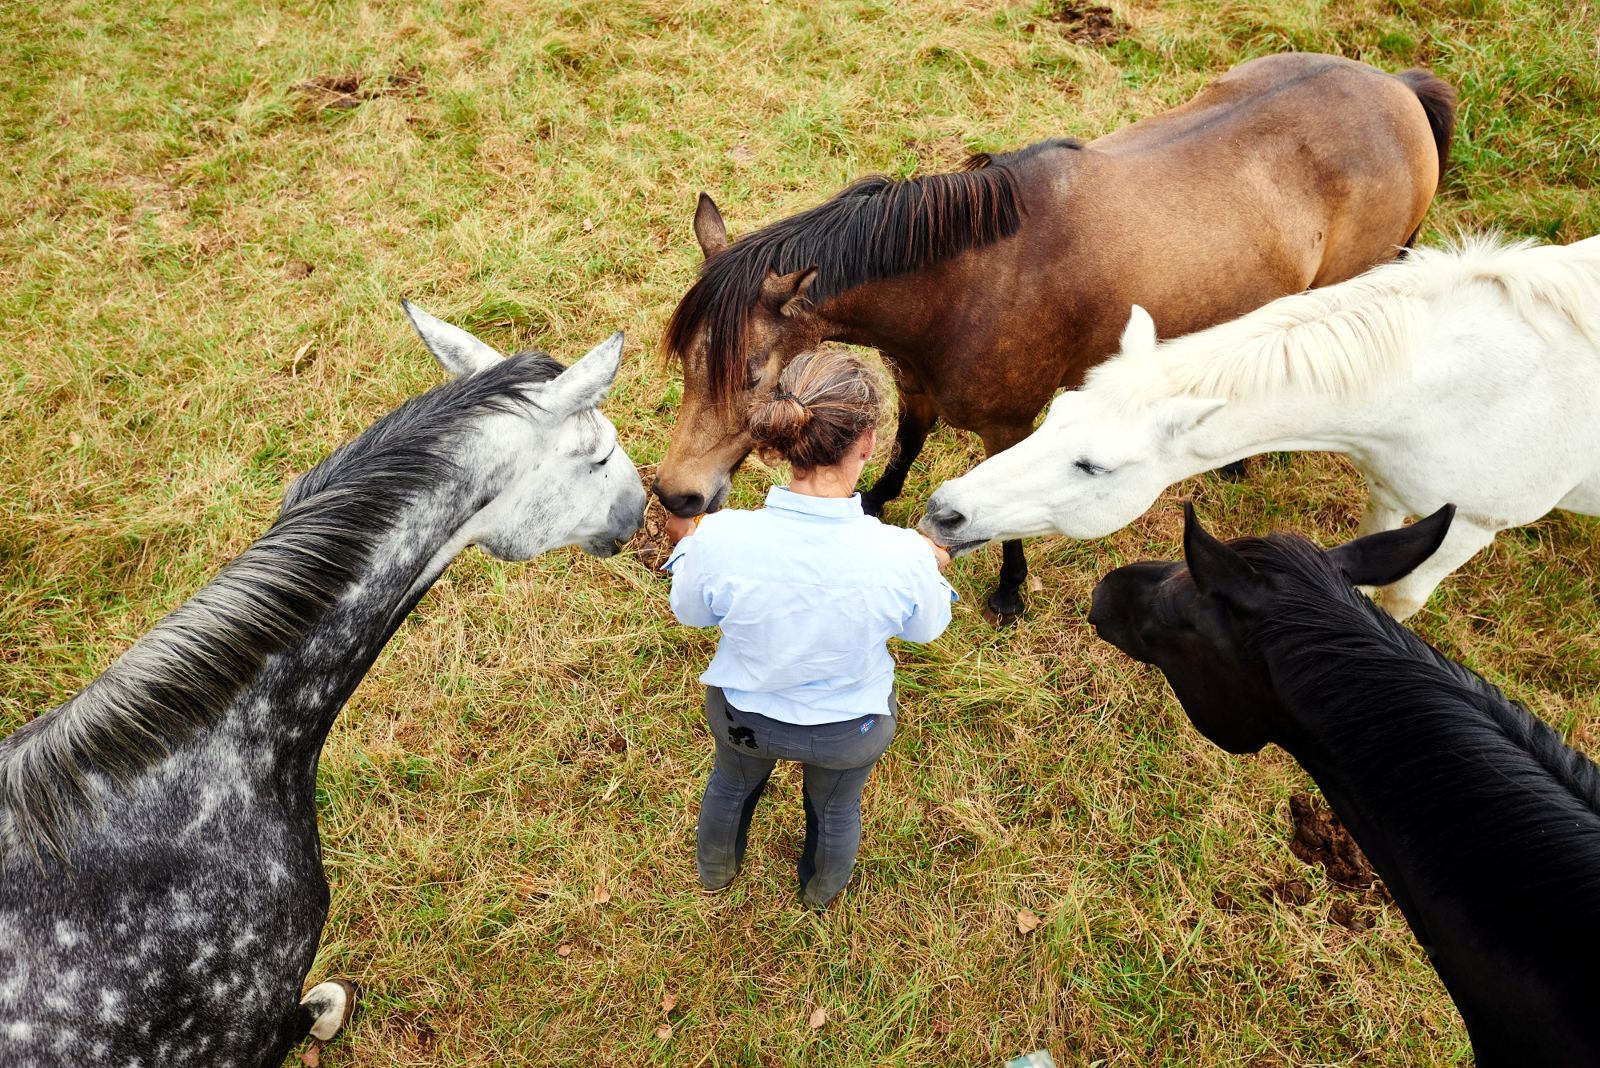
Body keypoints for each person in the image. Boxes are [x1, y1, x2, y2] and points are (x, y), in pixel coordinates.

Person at [663, 348, 955, 910]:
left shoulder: (720, 538)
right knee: (837, 808)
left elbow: (691, 613)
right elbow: (926, 629)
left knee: (730, 785)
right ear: (868, 444)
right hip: (850, 729)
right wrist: (930, 567)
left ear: (780, 441)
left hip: (742, 717)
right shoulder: (901, 555)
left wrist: (691, 546)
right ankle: (821, 892)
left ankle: (716, 872)